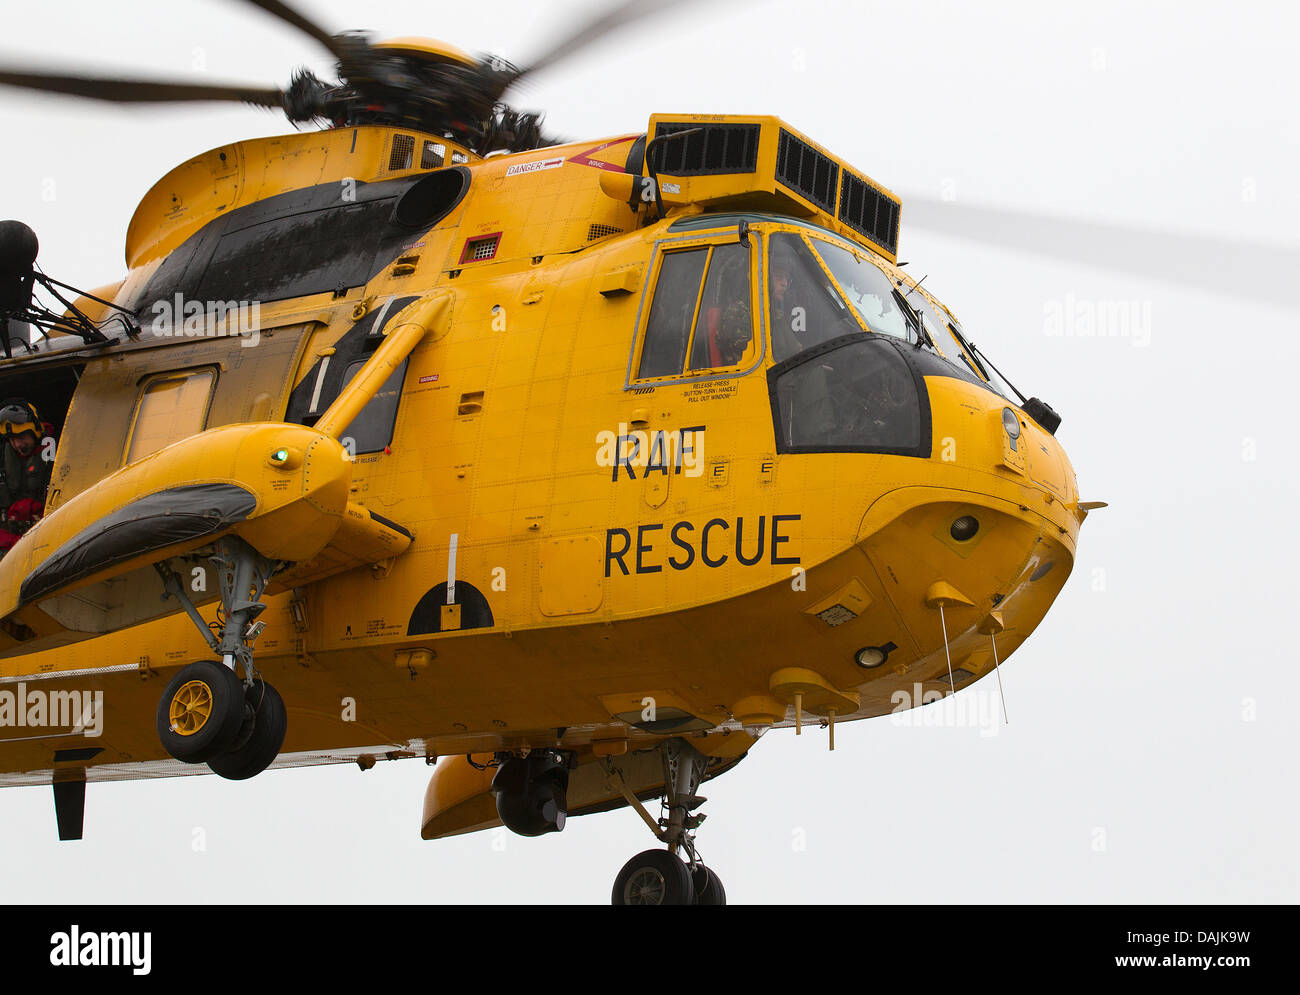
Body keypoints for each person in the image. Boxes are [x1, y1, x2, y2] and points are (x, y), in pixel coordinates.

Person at [0, 399, 53, 554]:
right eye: (12, 440)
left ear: (36, 431)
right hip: (9, 546)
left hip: (48, 539)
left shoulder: (60, 452)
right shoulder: (3, 459)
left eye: (21, 437)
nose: (17, 445)